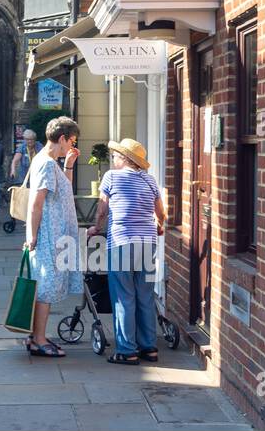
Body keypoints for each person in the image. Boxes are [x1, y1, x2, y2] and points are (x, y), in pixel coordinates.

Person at [89, 138, 165, 365]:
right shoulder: (150, 180)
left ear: (125, 159)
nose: (113, 159)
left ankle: (126, 350)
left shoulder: (111, 177)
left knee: (123, 296)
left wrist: (96, 228)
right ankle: (149, 348)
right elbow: (160, 212)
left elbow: (102, 209)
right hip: (147, 243)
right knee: (145, 295)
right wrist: (159, 226)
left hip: (122, 242)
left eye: (115, 156)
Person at [24, 116, 83, 357]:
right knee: (46, 288)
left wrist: (69, 165)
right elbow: (36, 204)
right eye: (72, 141)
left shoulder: (50, 162)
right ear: (62, 138)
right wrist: (33, 236)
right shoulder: (47, 164)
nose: (72, 145)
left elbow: (63, 191)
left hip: (53, 233)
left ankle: (37, 336)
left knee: (44, 287)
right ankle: (38, 340)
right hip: (48, 234)